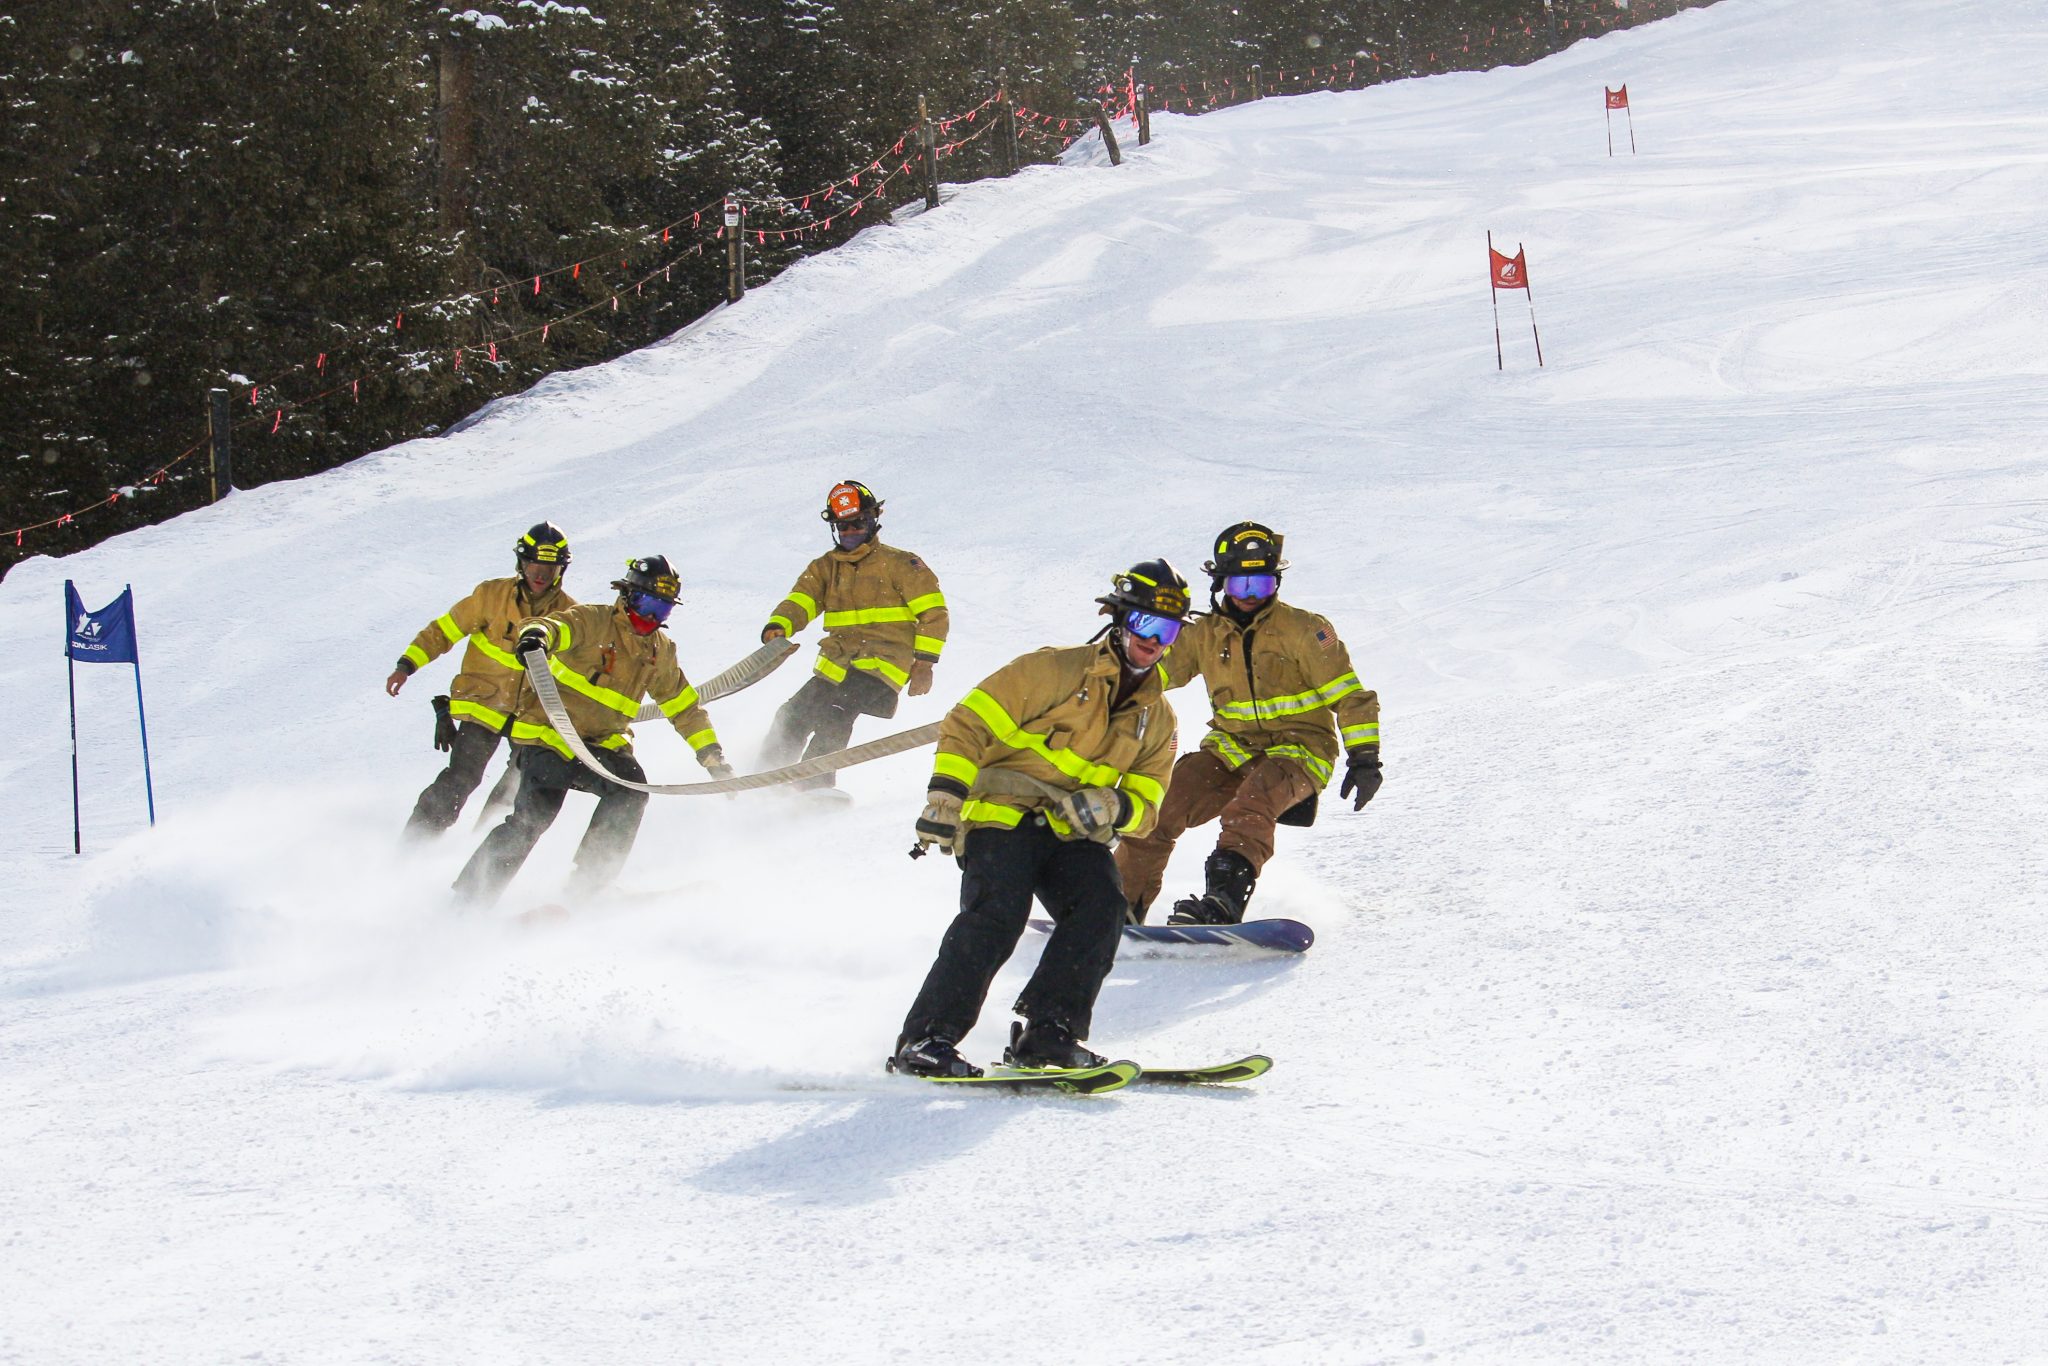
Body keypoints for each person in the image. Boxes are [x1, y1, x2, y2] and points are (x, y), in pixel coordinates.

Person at [890, 560, 1189, 1078]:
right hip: (1001, 817)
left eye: (1168, 631)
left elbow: (1148, 806)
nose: (1154, 641)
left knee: (1102, 906)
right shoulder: (1053, 670)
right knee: (997, 914)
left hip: (1070, 833)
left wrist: (1115, 807)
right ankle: (926, 1039)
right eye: (1145, 624)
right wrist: (945, 797)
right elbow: (968, 724)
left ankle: (1049, 1034)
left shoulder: (1157, 718)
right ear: (1119, 621)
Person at [1114, 522, 1381, 926]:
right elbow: (1151, 674)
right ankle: (1117, 905)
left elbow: (1350, 696)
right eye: (1241, 585)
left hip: (1300, 750)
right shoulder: (1202, 635)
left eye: (1262, 584)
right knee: (1160, 803)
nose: (1252, 596)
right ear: (1222, 584)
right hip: (1231, 748)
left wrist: (1365, 757)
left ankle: (1222, 903)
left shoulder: (1306, 630)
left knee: (1251, 804)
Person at [451, 555, 734, 907]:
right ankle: (468, 898)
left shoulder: (660, 652)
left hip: (601, 748)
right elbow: (553, 627)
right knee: (532, 819)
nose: (650, 618)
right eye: (647, 604)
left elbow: (684, 707)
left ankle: (589, 886)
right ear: (629, 595)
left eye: (661, 611)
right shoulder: (593, 621)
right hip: (550, 738)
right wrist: (536, 637)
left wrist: (712, 755)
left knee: (631, 792)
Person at [388, 522, 576, 837]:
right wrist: (407, 664)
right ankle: (414, 845)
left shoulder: (569, 615)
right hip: (483, 706)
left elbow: (580, 674)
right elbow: (444, 631)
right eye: (534, 565)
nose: (541, 574)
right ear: (521, 562)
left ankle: (477, 849)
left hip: (530, 718)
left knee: (515, 787)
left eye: (551, 567)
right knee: (461, 778)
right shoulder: (491, 595)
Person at [757, 480, 947, 788]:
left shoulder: (901, 565)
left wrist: (925, 664)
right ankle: (762, 781)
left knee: (837, 711)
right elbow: (800, 601)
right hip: (836, 665)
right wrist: (779, 626)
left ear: (873, 520)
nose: (850, 532)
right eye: (842, 526)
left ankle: (813, 786)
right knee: (792, 715)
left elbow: (933, 613)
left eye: (858, 523)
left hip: (883, 665)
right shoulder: (825, 569)